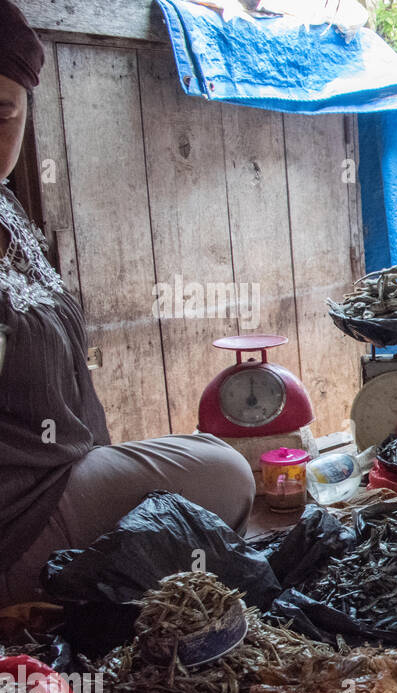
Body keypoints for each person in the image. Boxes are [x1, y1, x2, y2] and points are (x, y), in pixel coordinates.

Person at [0, 0, 255, 606]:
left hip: (63, 469)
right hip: (18, 515)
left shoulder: (7, 207)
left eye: (1, 113)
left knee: (216, 462)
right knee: (227, 475)